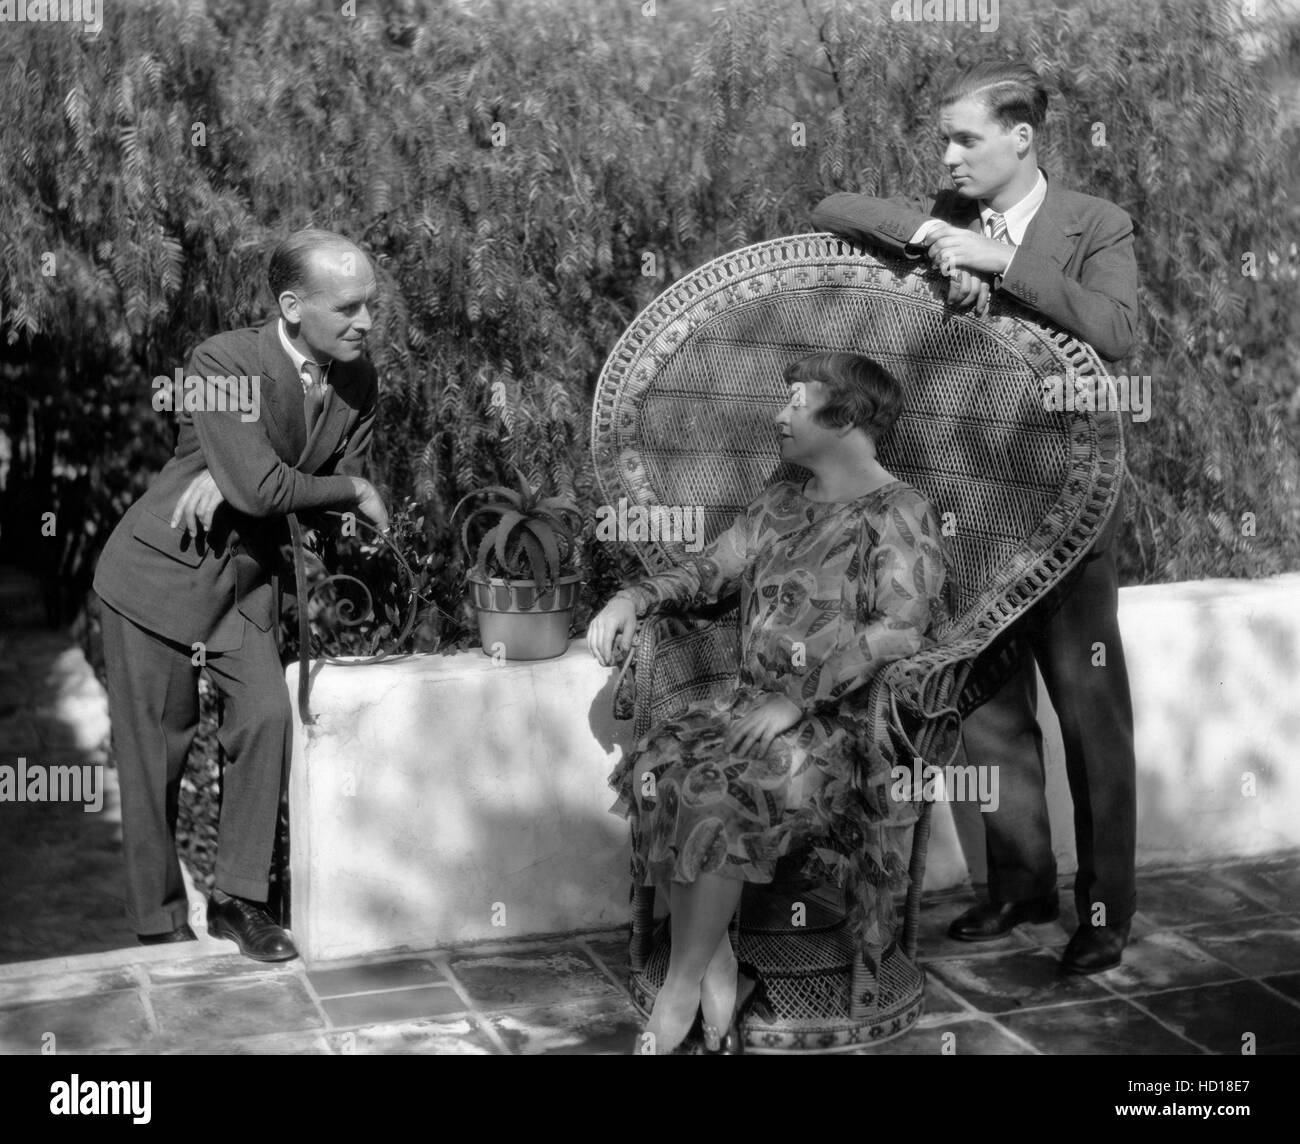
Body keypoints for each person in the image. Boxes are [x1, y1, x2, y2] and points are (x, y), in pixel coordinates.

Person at [812, 59, 1139, 973]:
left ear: (1022, 138)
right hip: (977, 515)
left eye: (966, 139)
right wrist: (933, 238)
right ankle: (1020, 887)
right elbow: (832, 207)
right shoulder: (945, 219)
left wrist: (1008, 266)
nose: (947, 154)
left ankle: (1106, 913)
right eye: (945, 138)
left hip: (1073, 510)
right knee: (991, 714)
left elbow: (1115, 330)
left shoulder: (1094, 226)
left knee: (1089, 715)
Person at [588, 352, 948, 1054]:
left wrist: (798, 698)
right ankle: (719, 965)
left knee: (715, 794)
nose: (778, 416)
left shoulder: (900, 511)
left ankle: (680, 991)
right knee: (666, 761)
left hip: (846, 734)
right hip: (752, 711)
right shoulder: (780, 502)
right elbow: (711, 571)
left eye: (795, 401)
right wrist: (634, 596)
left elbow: (901, 632)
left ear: (843, 417)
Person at [92, 228, 390, 960]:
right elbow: (285, 486)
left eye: (370, 307)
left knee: (262, 719)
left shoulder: (357, 380)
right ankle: (160, 928)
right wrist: (330, 486)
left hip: (248, 586)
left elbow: (282, 494)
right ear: (291, 306)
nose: (365, 323)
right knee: (156, 757)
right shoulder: (222, 361)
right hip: (160, 578)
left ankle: (237, 902)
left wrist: (239, 482)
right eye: (348, 308)